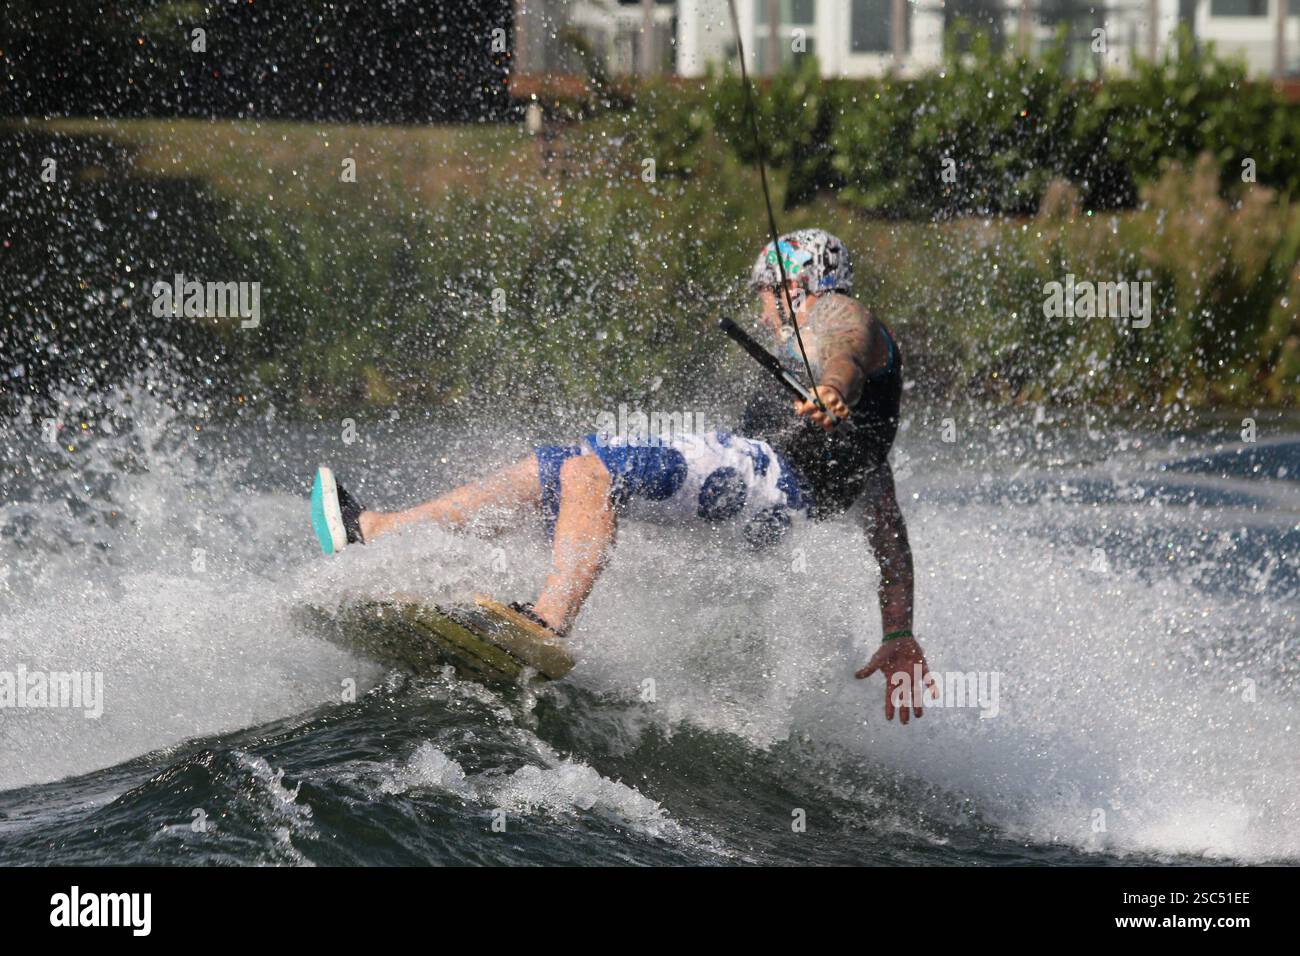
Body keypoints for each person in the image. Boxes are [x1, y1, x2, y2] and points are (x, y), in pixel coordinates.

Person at [311, 228, 935, 721]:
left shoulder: (834, 312)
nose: (765, 315)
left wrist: (831, 388)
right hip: (766, 502)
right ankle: (378, 530)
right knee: (555, 467)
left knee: (595, 469)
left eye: (766, 298)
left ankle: (545, 624)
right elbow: (890, 537)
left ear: (791, 287)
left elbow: (844, 344)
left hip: (770, 486)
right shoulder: (864, 433)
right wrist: (899, 631)